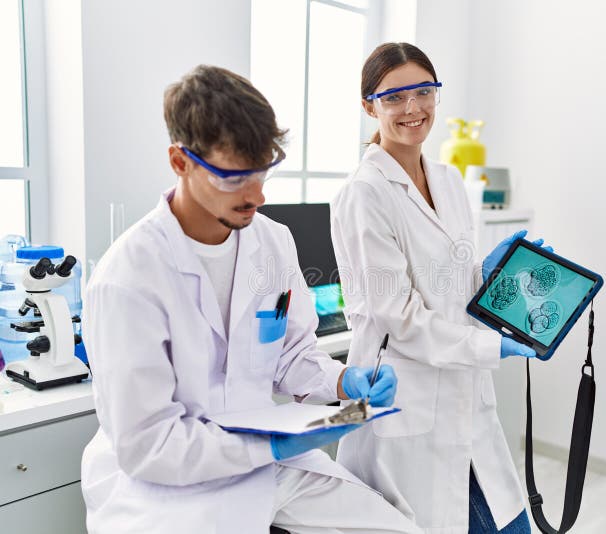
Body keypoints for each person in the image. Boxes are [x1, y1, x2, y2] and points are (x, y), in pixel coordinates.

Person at [80, 65, 420, 534]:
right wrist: (268, 446)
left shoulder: (273, 242)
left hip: (270, 467)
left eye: (262, 171)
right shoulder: (128, 277)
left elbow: (292, 356)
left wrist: (345, 381)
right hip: (169, 486)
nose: (256, 195)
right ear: (180, 161)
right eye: (234, 176)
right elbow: (149, 446)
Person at [331, 43, 550, 533]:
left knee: (512, 523)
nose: (413, 107)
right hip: (409, 413)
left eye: (424, 91)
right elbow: (398, 316)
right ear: (369, 106)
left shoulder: (449, 180)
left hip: (466, 403)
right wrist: (491, 345)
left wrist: (487, 274)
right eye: (394, 97)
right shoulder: (364, 193)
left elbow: (451, 283)